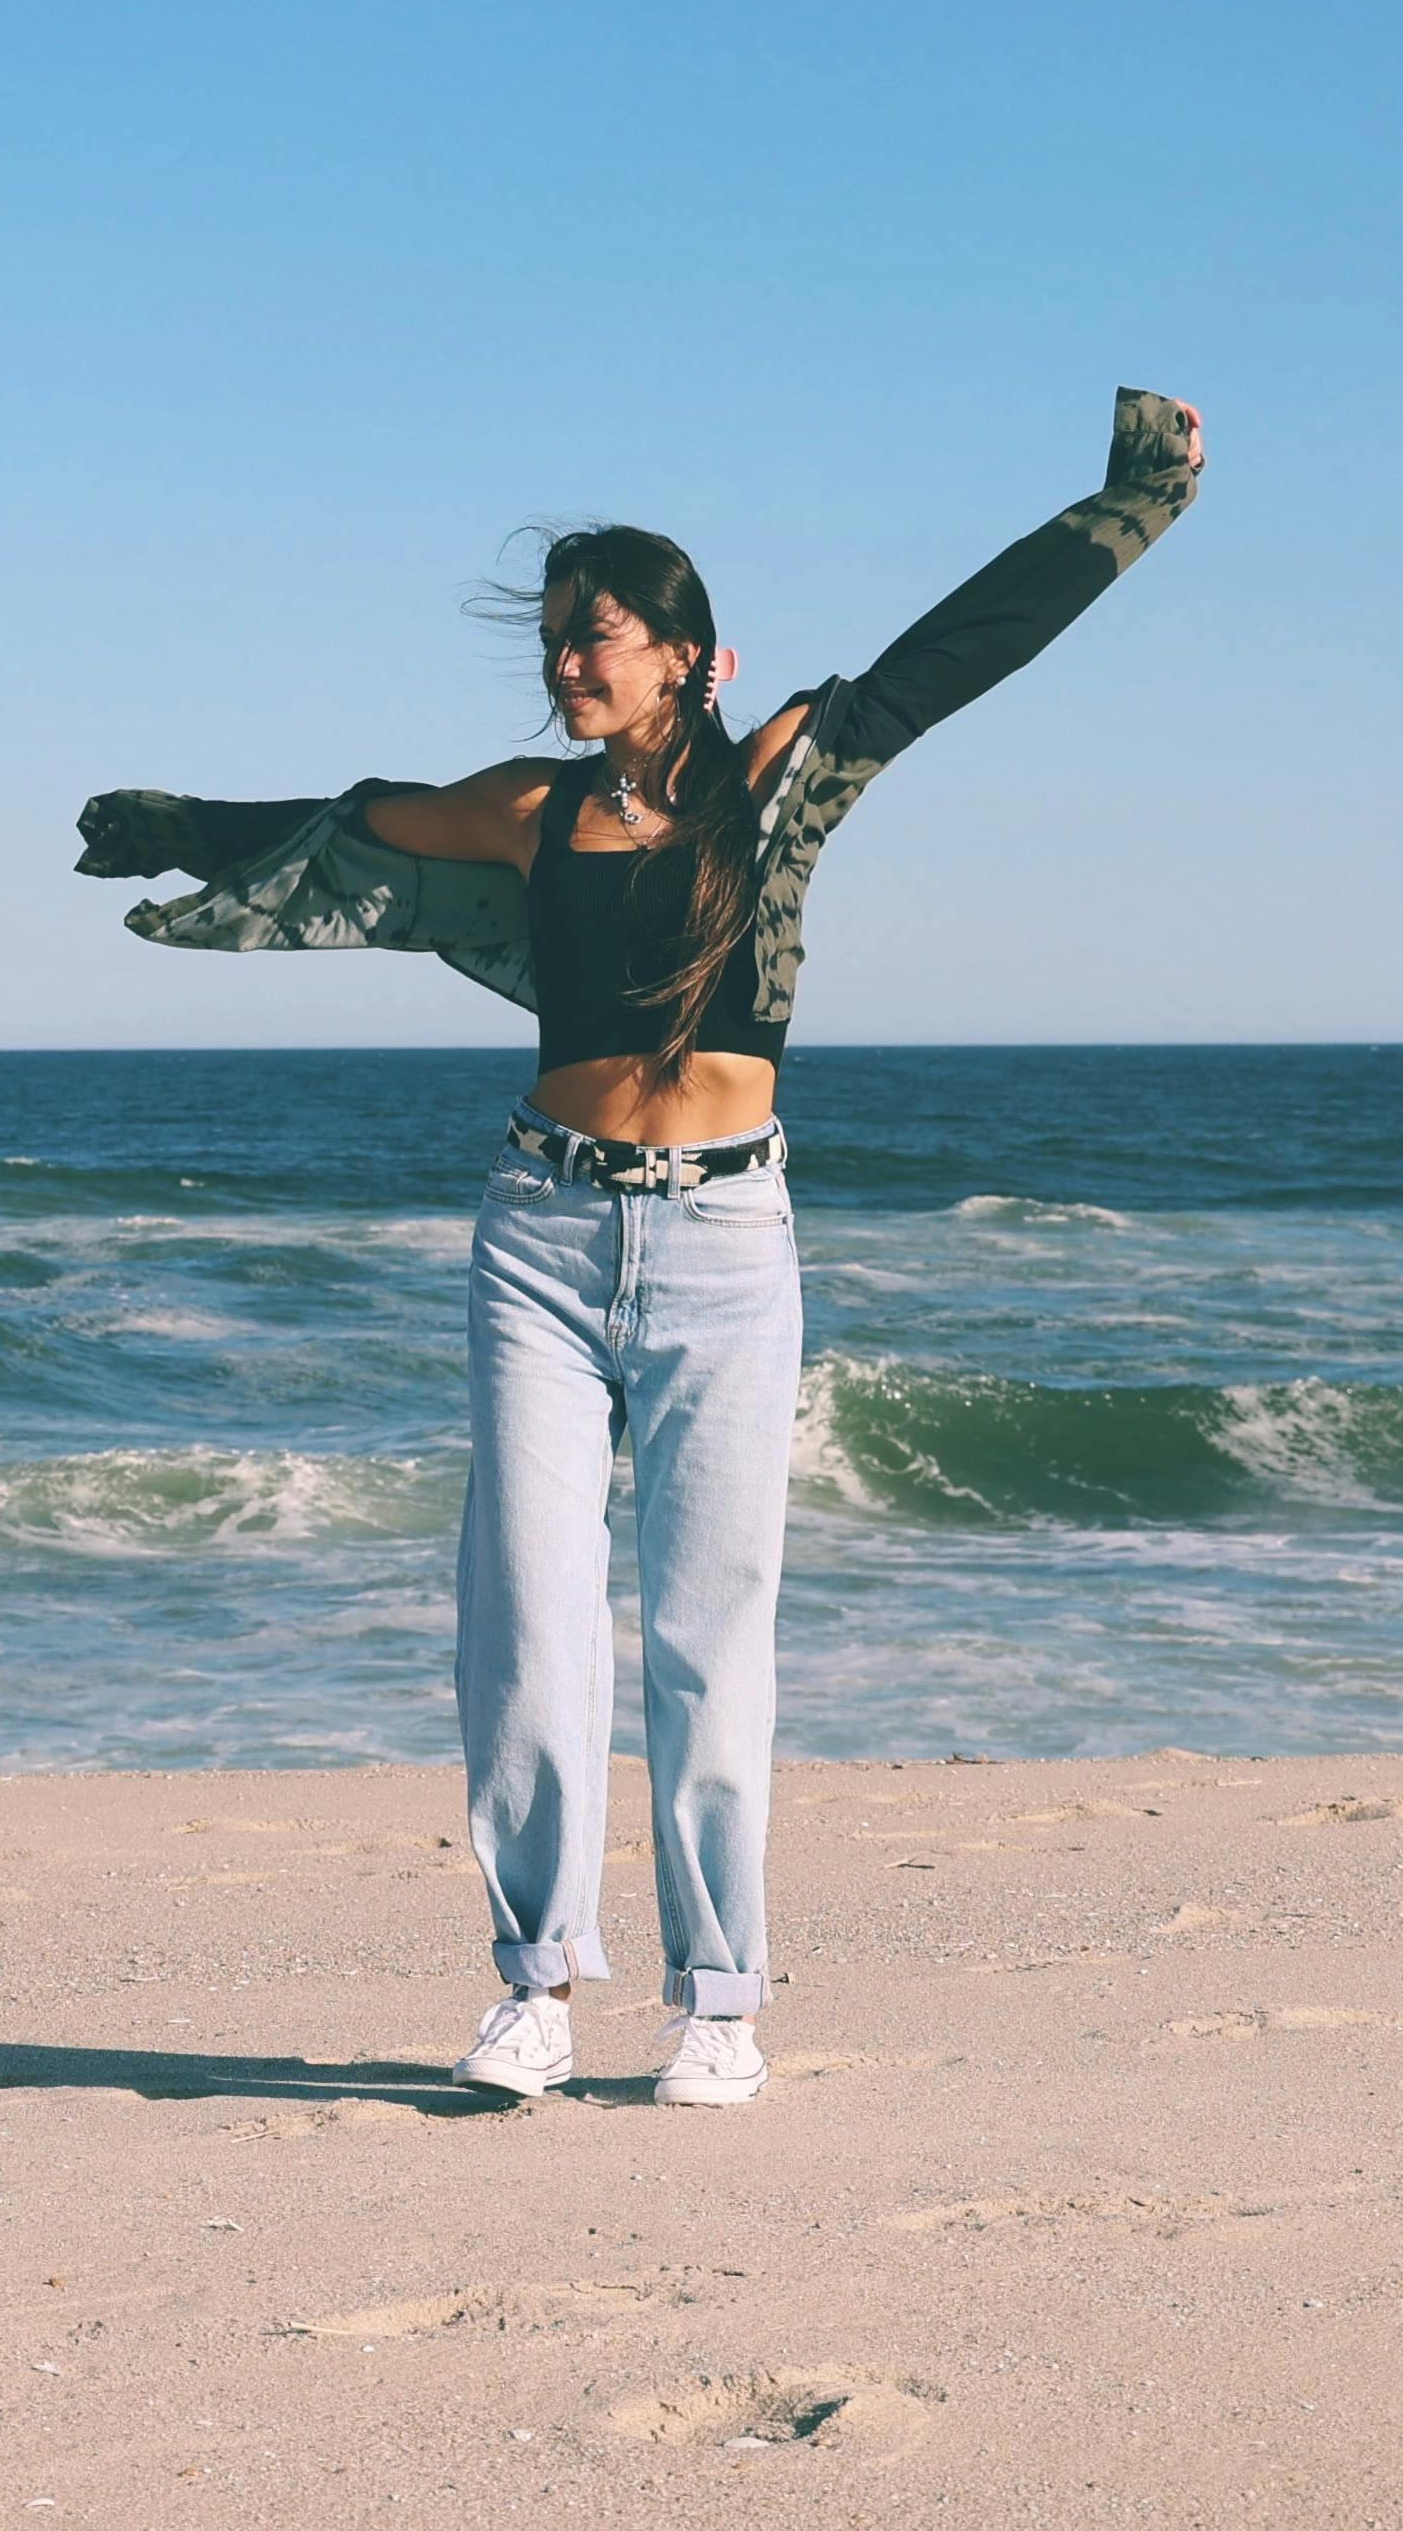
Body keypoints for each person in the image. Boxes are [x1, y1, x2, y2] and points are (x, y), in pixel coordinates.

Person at [76, 386, 1202, 2109]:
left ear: (689, 653)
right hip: (537, 1230)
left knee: (707, 1631)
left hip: (727, 1242)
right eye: (552, 645)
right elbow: (363, 820)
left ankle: (720, 2003)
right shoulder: (534, 810)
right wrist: (187, 824)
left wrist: (1129, 504)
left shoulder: (788, 776)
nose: (565, 668)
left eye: (593, 639)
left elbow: (966, 644)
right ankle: (533, 1984)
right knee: (528, 1622)